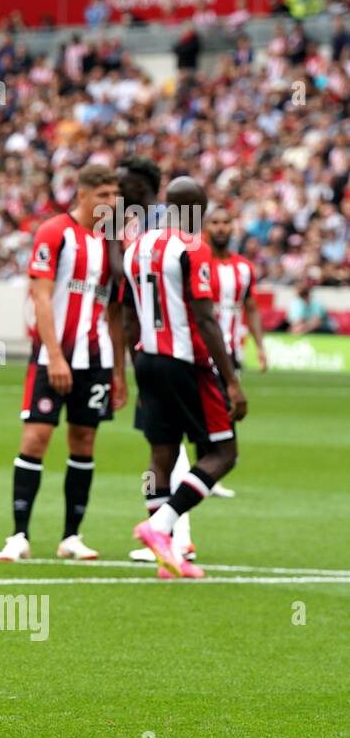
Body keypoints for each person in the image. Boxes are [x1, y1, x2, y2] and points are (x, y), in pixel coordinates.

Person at [0, 164, 126, 563]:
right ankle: (18, 535)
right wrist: (54, 355)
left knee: (84, 442)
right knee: (36, 438)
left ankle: (71, 536)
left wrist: (119, 371)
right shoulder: (55, 231)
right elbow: (41, 296)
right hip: (53, 356)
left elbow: (117, 312)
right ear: (83, 195)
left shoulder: (112, 243)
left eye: (114, 195)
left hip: (97, 358)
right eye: (102, 195)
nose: (110, 202)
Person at [123, 179, 247, 578]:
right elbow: (206, 319)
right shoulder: (195, 248)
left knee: (163, 452)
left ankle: (166, 559)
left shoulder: (136, 246)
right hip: (185, 363)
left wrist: (136, 367)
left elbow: (127, 318)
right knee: (223, 453)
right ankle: (159, 528)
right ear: (202, 206)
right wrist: (230, 380)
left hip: (146, 360)